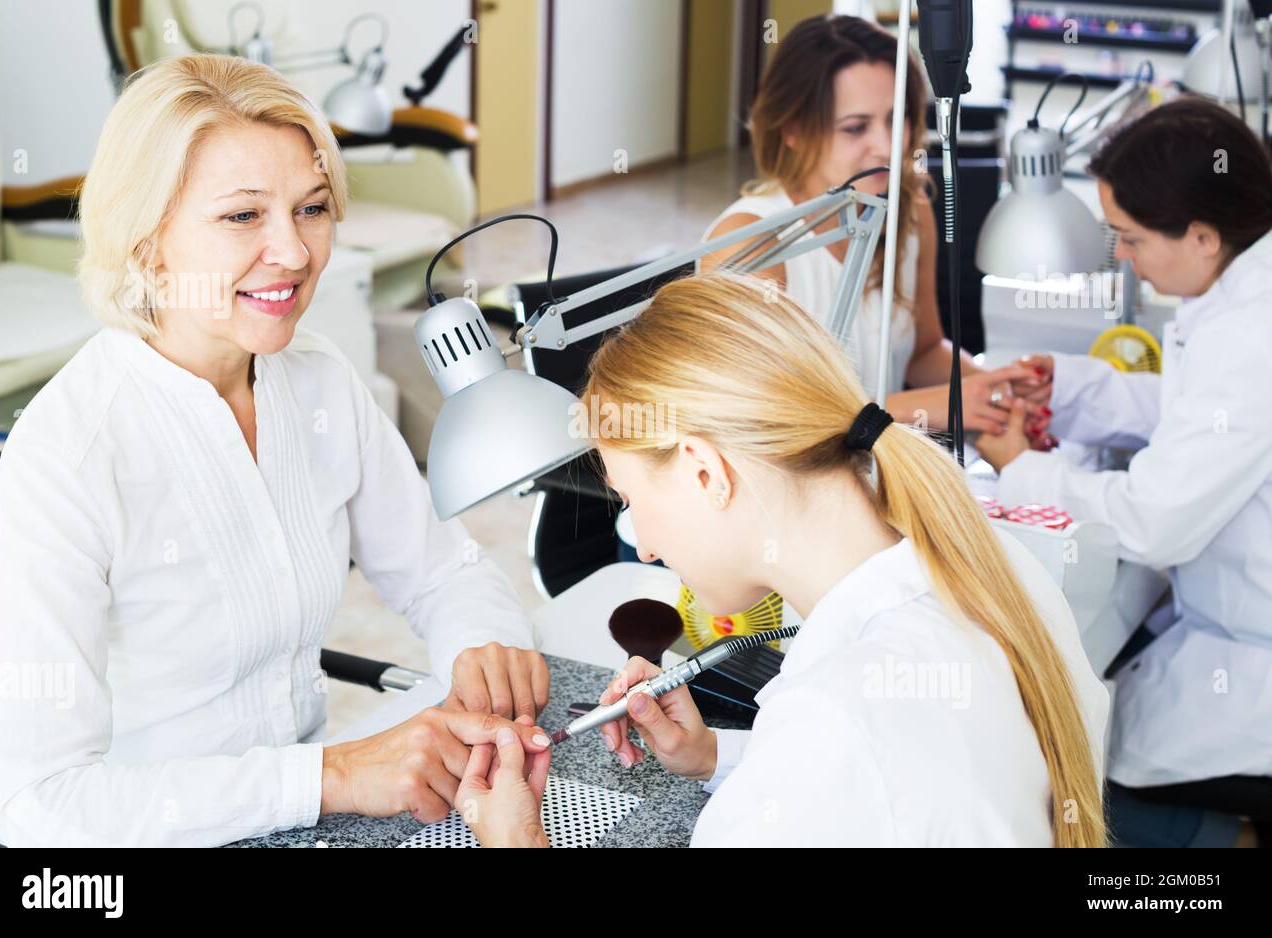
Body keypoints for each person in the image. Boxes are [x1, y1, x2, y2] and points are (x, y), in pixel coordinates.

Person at [0, 54, 552, 847]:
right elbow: (42, 807)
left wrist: (481, 644)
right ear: (146, 243)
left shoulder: (317, 380)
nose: (293, 252)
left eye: (312, 208)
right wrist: (331, 776)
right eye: (243, 217)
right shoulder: (68, 452)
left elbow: (440, 572)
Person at [457, 272, 1109, 847]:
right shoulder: (998, 563)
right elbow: (867, 792)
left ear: (706, 473)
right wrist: (716, 755)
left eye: (633, 500)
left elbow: (847, 759)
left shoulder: (835, 714)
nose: (646, 545)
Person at [978, 96, 1272, 847]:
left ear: (1202, 237)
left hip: (1251, 653)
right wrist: (1071, 389)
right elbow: (1196, 416)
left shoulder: (1251, 336)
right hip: (1226, 622)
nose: (1121, 257)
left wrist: (1023, 470)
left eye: (1132, 239)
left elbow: (1153, 521)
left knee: (1069, 764)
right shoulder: (1240, 292)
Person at [700, 14, 1042, 439]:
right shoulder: (754, 242)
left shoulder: (909, 213)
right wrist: (923, 407)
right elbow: (761, 417)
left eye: (895, 119)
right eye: (856, 127)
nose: (886, 145)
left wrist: (992, 385)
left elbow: (921, 351)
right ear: (793, 130)